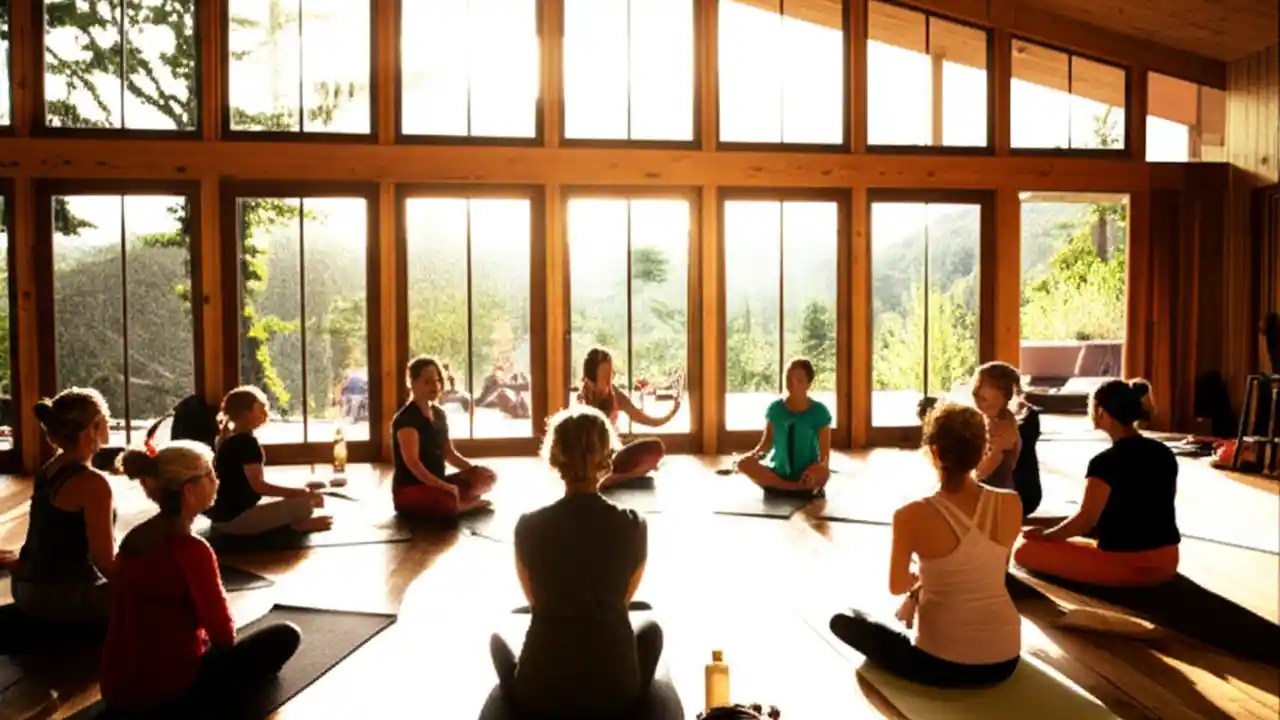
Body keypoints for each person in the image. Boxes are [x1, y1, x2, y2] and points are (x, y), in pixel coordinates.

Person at [100, 441, 301, 716]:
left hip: (117, 689)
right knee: (285, 635)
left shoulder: (135, 539)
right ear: (189, 490)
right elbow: (222, 636)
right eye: (210, 474)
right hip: (171, 692)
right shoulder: (191, 550)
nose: (216, 481)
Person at [829, 403, 1022, 688]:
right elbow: (993, 570)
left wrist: (921, 580)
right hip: (1007, 659)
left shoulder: (910, 515)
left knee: (844, 620)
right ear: (982, 450)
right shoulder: (1011, 503)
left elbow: (897, 586)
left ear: (934, 452)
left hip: (939, 663)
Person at [490, 405, 662, 718]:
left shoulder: (527, 526)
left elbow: (536, 602)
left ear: (555, 459)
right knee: (652, 633)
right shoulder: (634, 524)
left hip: (541, 693)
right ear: (608, 459)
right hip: (615, 691)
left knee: (497, 643)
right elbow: (623, 600)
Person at [1015, 379, 1180, 587]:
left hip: (1126, 563)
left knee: (1025, 549)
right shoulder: (1164, 452)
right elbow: (1164, 504)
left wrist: (1045, 536)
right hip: (1168, 559)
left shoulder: (1105, 462)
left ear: (1100, 412)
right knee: (1071, 543)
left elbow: (1086, 520)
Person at [11, 388, 116, 624]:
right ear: (93, 428)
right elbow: (105, 562)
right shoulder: (93, 483)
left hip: (25, 588)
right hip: (61, 596)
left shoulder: (49, 469)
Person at [205, 387, 330, 536]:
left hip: (221, 519)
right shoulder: (246, 443)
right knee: (305, 505)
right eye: (260, 410)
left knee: (296, 499)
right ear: (246, 414)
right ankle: (296, 527)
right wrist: (299, 493)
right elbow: (259, 486)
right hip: (236, 522)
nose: (265, 414)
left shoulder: (226, 439)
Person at [392, 356, 496, 518]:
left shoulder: (439, 414)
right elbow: (413, 463)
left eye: (437, 381)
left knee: (487, 476)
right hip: (410, 489)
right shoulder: (406, 419)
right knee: (445, 500)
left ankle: (457, 502)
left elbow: (449, 453)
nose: (435, 386)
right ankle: (461, 506)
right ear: (411, 383)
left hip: (437, 484)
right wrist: (443, 486)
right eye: (427, 381)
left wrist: (473, 471)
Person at [577, 347, 681, 487]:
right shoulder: (582, 399)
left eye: (610, 375)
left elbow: (643, 419)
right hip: (588, 459)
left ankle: (611, 478)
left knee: (656, 446)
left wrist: (671, 413)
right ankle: (617, 477)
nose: (609, 380)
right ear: (591, 378)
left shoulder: (616, 394)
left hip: (612, 457)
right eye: (604, 376)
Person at [736, 359, 833, 494]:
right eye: (788, 379)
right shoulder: (775, 409)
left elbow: (824, 457)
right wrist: (751, 457)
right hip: (778, 473)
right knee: (743, 464)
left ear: (808, 384)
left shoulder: (820, 412)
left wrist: (817, 471)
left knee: (823, 473)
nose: (792, 385)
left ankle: (792, 486)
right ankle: (788, 486)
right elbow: (765, 445)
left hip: (807, 474)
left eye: (798, 380)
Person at [970, 362, 1023, 492]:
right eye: (977, 384)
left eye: (985, 385)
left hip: (994, 496)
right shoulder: (988, 419)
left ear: (1004, 394)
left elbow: (983, 471)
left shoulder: (1003, 428)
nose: (977, 389)